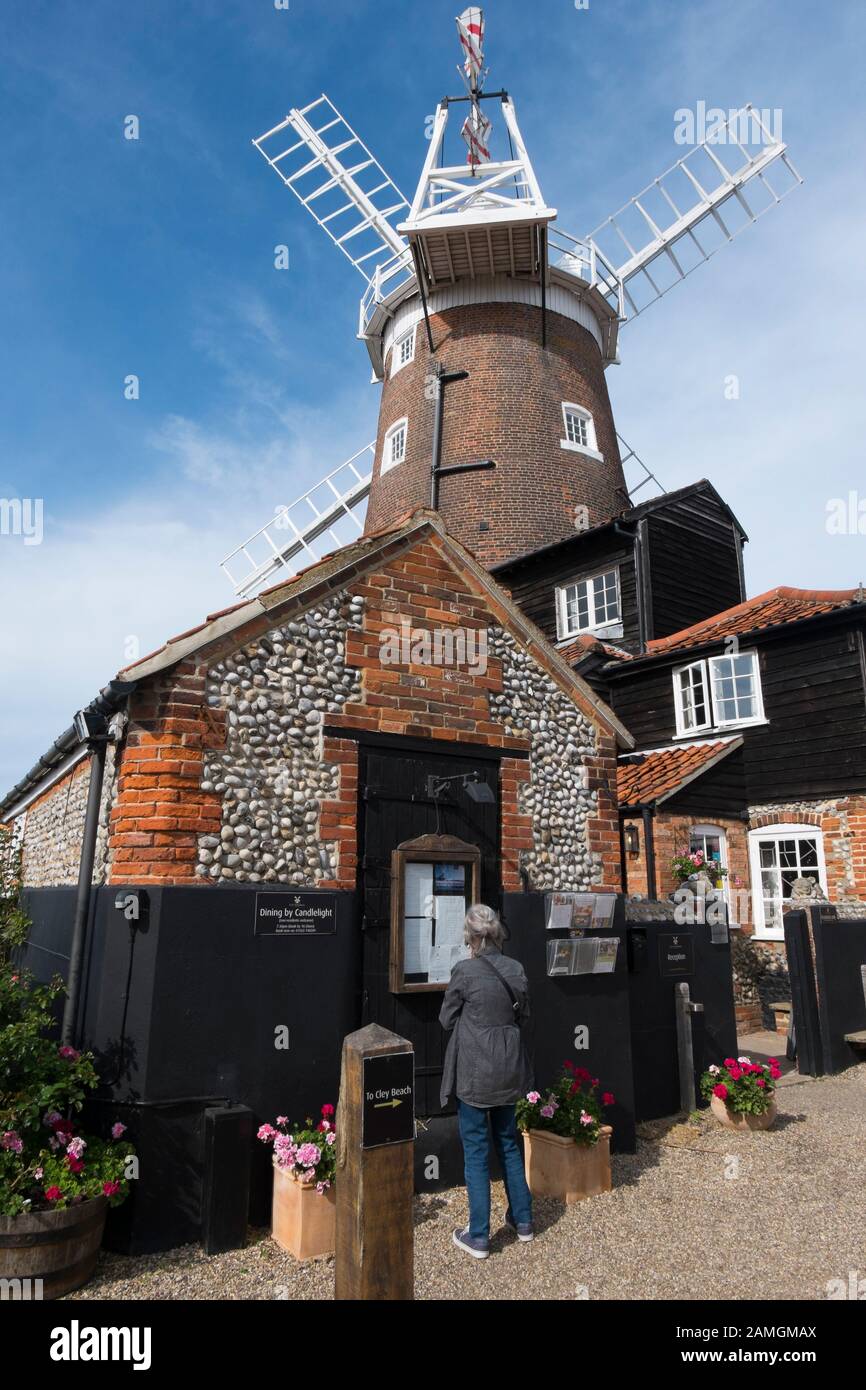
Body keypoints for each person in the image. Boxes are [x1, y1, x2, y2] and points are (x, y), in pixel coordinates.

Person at [439, 903, 534, 1258]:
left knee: (476, 1151)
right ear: (496, 934)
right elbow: (524, 1014)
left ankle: (478, 1235)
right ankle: (523, 1220)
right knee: (509, 1142)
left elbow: (446, 1019)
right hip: (509, 1068)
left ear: (471, 937)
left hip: (476, 1073)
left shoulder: (464, 971)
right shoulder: (516, 968)